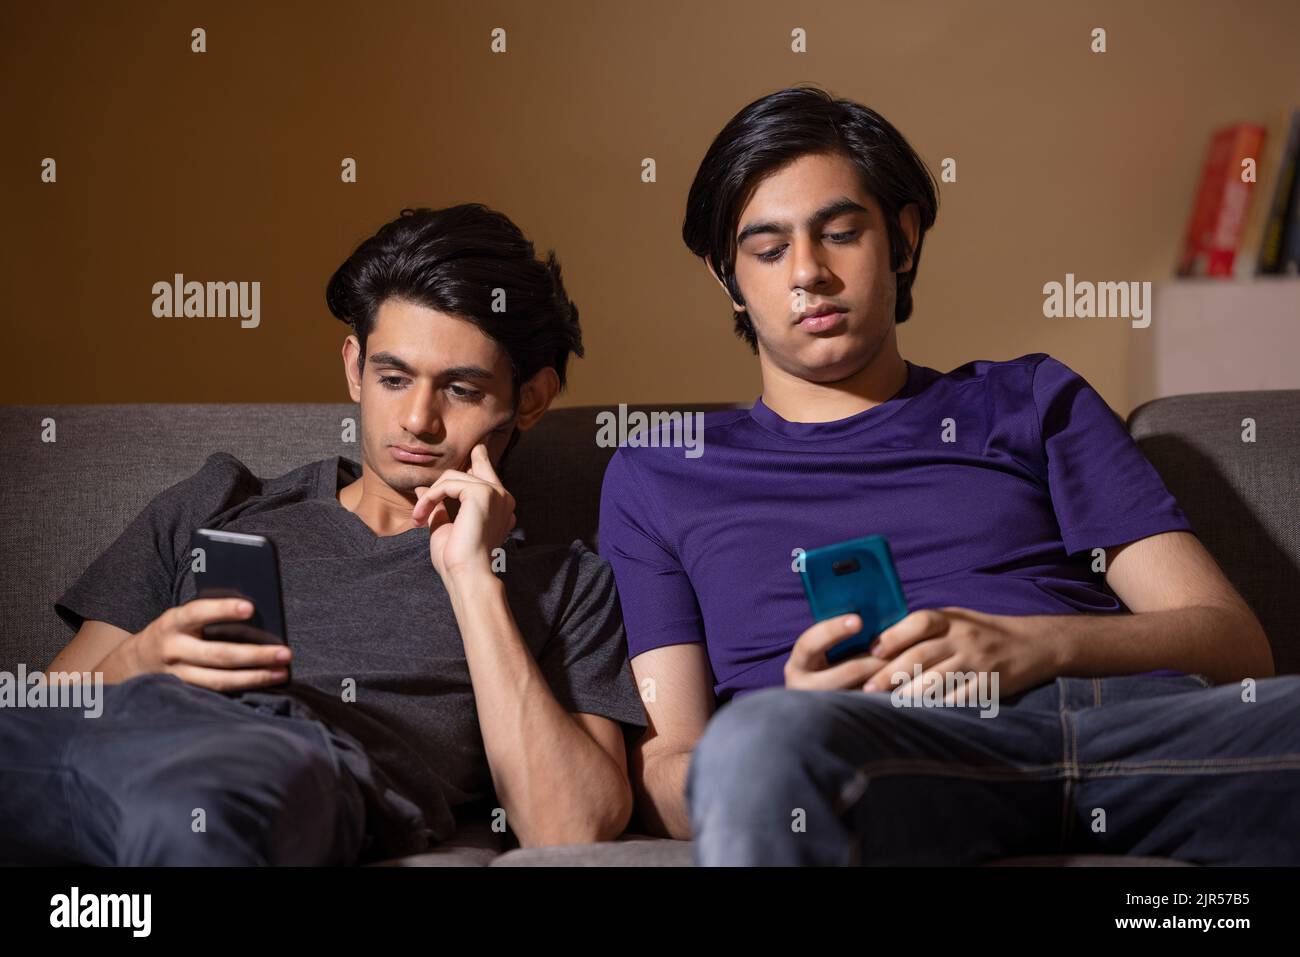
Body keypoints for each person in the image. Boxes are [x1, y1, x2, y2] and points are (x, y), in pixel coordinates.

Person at [598, 86, 1299, 865]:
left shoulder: (1028, 396)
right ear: (726, 276)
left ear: (901, 237)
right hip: (879, 750)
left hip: (1127, 726)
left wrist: (1041, 645)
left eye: (839, 233)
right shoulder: (660, 470)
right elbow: (667, 770)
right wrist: (795, 718)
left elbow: (1235, 642)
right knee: (756, 743)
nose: (808, 272)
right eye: (767, 250)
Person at [0, 204, 646, 865]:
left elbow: (569, 824)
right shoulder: (220, 500)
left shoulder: (565, 584)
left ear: (531, 398)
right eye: (392, 378)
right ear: (353, 368)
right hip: (131, 731)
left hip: (289, 761)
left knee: (189, 814)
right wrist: (133, 665)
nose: (418, 419)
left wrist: (473, 578)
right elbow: (48, 711)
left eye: (459, 389)